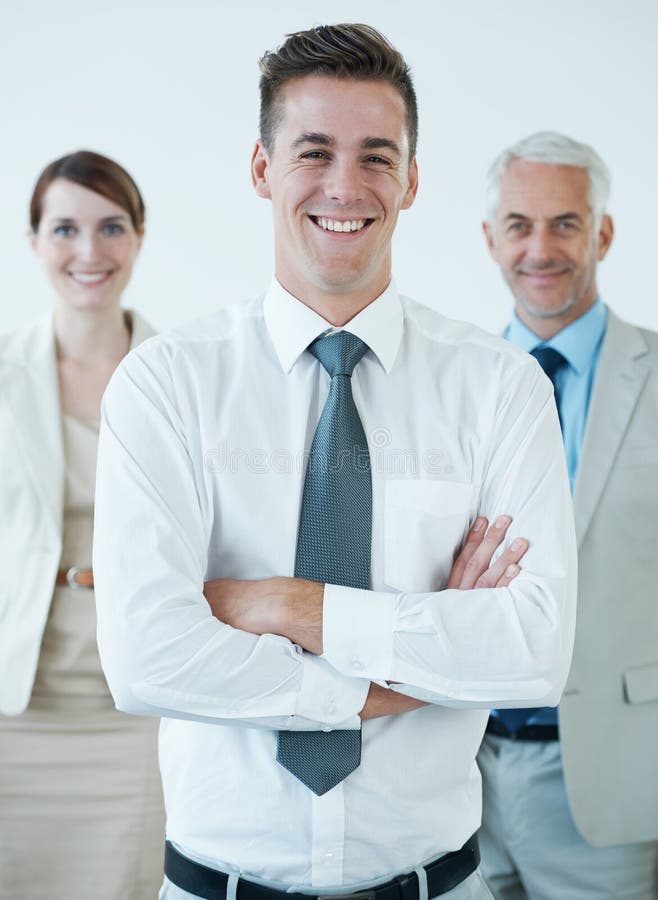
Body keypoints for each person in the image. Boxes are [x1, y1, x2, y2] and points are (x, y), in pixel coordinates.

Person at [93, 25, 576, 900]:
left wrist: (282, 605)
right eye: (313, 152)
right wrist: (410, 669)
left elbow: (535, 652)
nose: (345, 187)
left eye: (377, 157)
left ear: (414, 179)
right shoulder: (166, 384)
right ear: (261, 169)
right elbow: (147, 659)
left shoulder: (500, 387)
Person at [479, 131, 658, 899]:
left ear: (604, 233)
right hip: (463, 776)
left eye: (565, 223)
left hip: (612, 779)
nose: (540, 248)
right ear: (490, 238)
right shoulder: (457, 387)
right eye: (519, 224)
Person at [0, 150, 165, 899]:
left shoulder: (180, 376)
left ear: (137, 238)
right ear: (33, 241)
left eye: (111, 227)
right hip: (17, 704)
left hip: (137, 709)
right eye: (64, 228)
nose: (89, 252)